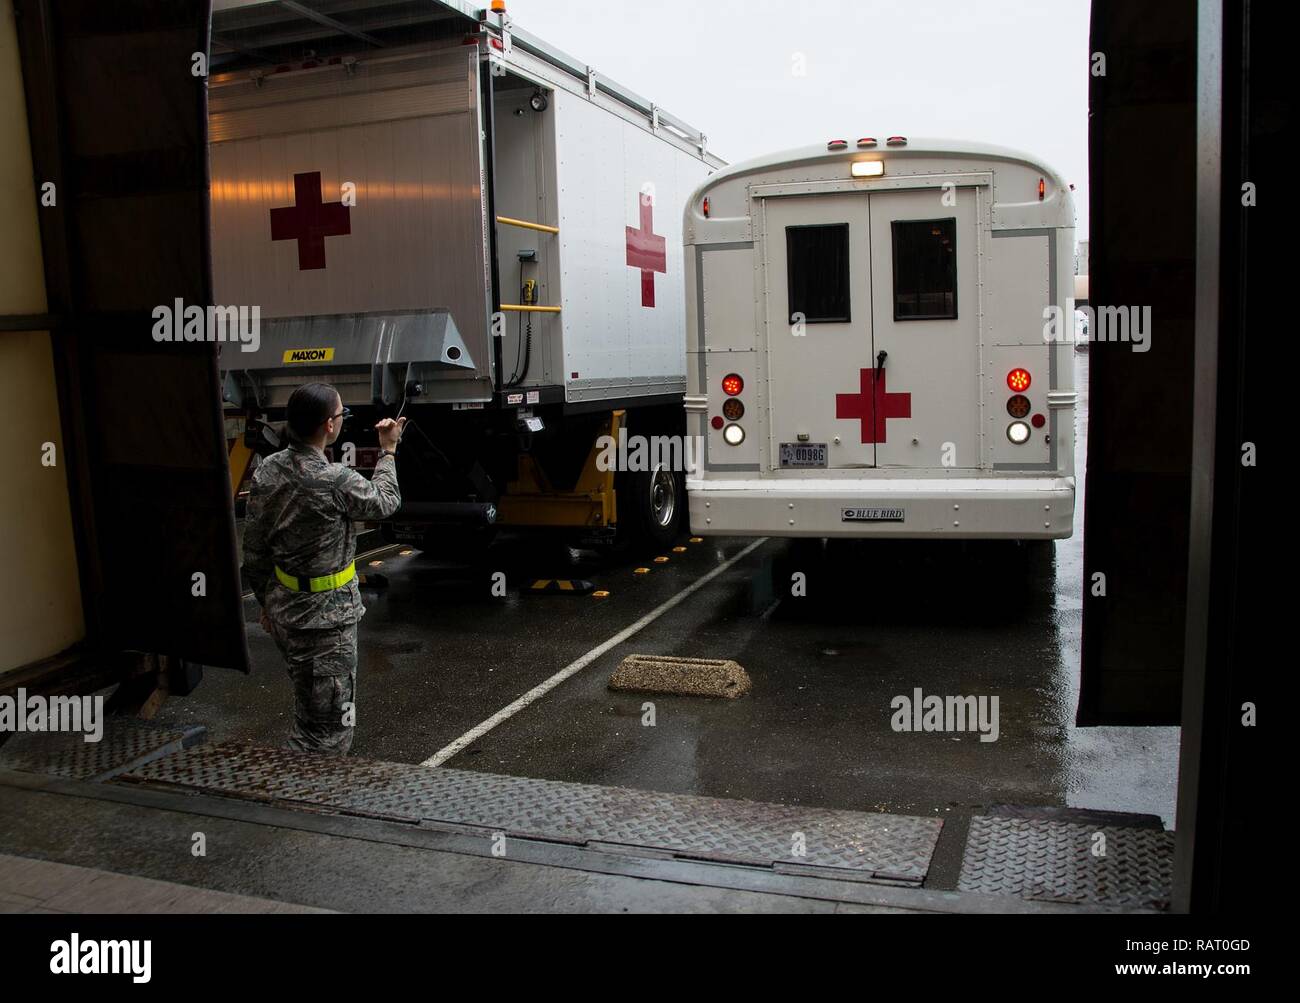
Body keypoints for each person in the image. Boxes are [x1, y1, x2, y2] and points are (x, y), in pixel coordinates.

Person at [241, 383, 406, 755]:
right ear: (328, 426)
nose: (342, 420)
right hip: (325, 624)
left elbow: (254, 546)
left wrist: (268, 604)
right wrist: (389, 450)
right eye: (341, 414)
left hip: (287, 612)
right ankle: (305, 800)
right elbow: (385, 502)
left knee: (309, 707)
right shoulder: (334, 480)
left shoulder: (268, 470)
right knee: (328, 732)